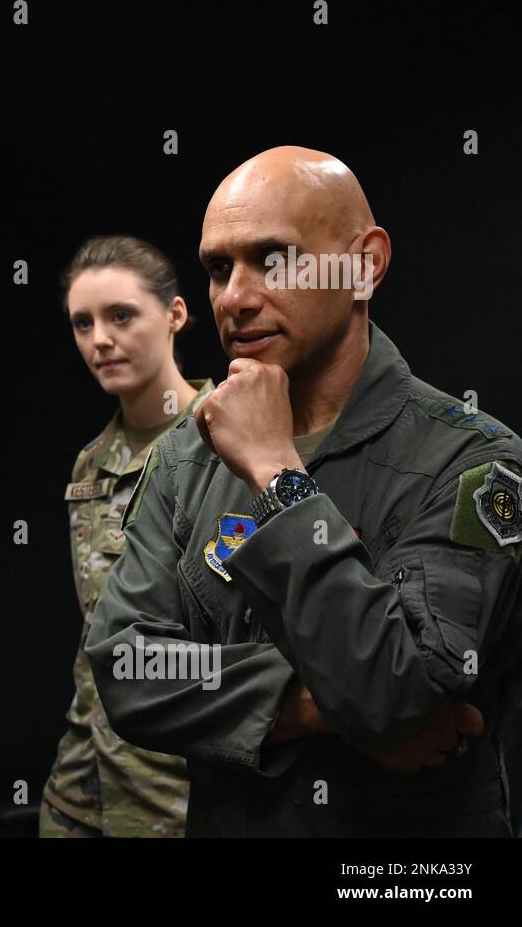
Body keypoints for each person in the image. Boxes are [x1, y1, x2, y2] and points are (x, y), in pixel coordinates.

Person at [87, 145, 522, 836]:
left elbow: (403, 681)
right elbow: (126, 673)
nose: (234, 297)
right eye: (218, 268)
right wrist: (327, 709)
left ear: (364, 264)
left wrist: (275, 474)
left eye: (274, 259)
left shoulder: (475, 459)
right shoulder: (184, 456)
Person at [39, 236, 212, 837]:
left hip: (177, 797)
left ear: (175, 314)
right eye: (82, 323)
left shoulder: (231, 446)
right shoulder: (92, 464)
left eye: (120, 316)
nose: (99, 341)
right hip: (79, 788)